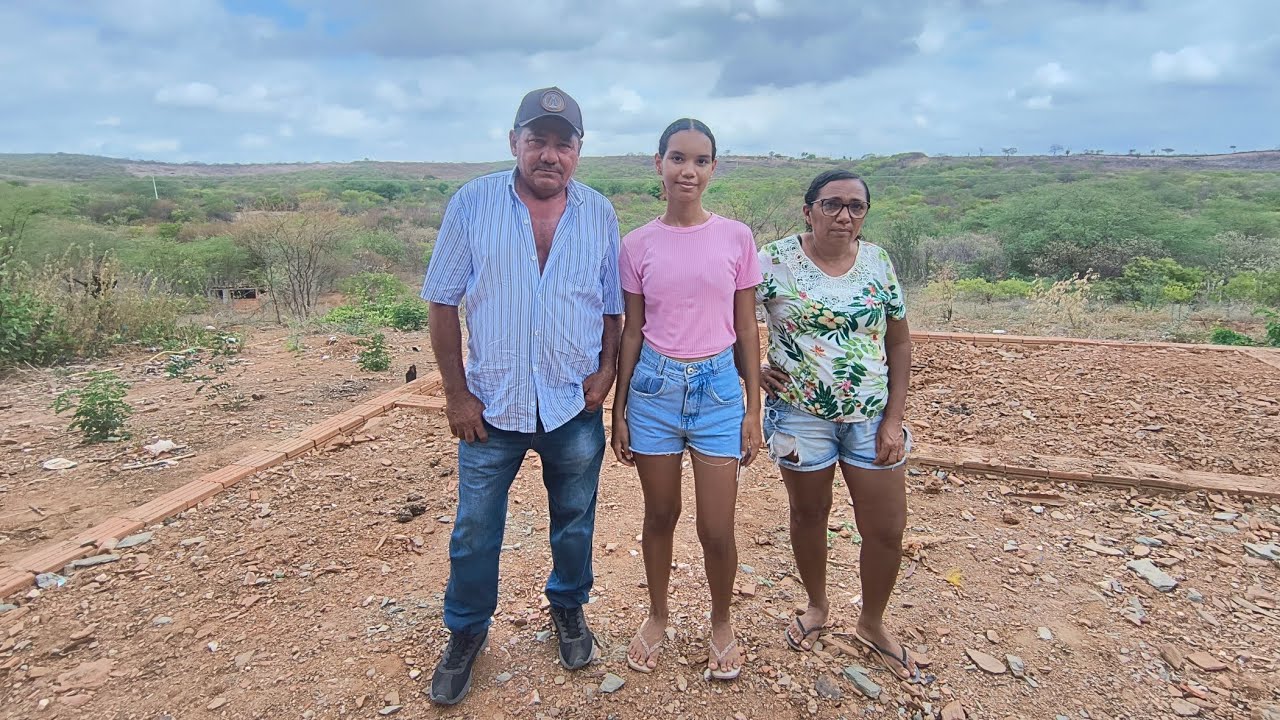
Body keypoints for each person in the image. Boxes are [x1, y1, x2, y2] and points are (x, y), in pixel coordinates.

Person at [420, 86, 623, 705]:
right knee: (475, 530)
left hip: (571, 402)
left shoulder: (599, 212)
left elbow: (613, 304)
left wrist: (607, 371)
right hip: (492, 405)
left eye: (563, 144)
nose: (549, 155)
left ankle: (567, 607)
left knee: (574, 520)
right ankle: (467, 632)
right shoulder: (473, 203)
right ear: (514, 143)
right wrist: (456, 393)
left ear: (578, 152)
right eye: (537, 140)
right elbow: (441, 300)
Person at [611, 118, 763, 681]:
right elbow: (631, 330)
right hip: (652, 390)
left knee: (717, 527)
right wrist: (619, 409)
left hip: (719, 391)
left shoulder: (736, 238)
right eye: (677, 158)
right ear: (658, 164)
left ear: (713, 169)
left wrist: (753, 409)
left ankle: (721, 621)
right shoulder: (636, 245)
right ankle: (657, 615)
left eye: (700, 161)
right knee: (660, 514)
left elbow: (747, 329)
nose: (687, 170)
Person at [756, 169, 920, 681]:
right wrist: (754, 367)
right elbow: (730, 321)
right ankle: (818, 606)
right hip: (799, 414)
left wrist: (893, 417)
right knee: (809, 515)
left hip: (871, 417)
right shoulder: (773, 260)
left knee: (887, 529)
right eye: (831, 205)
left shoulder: (877, 261)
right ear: (808, 211)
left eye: (856, 206)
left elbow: (898, 341)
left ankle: (871, 622)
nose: (844, 216)